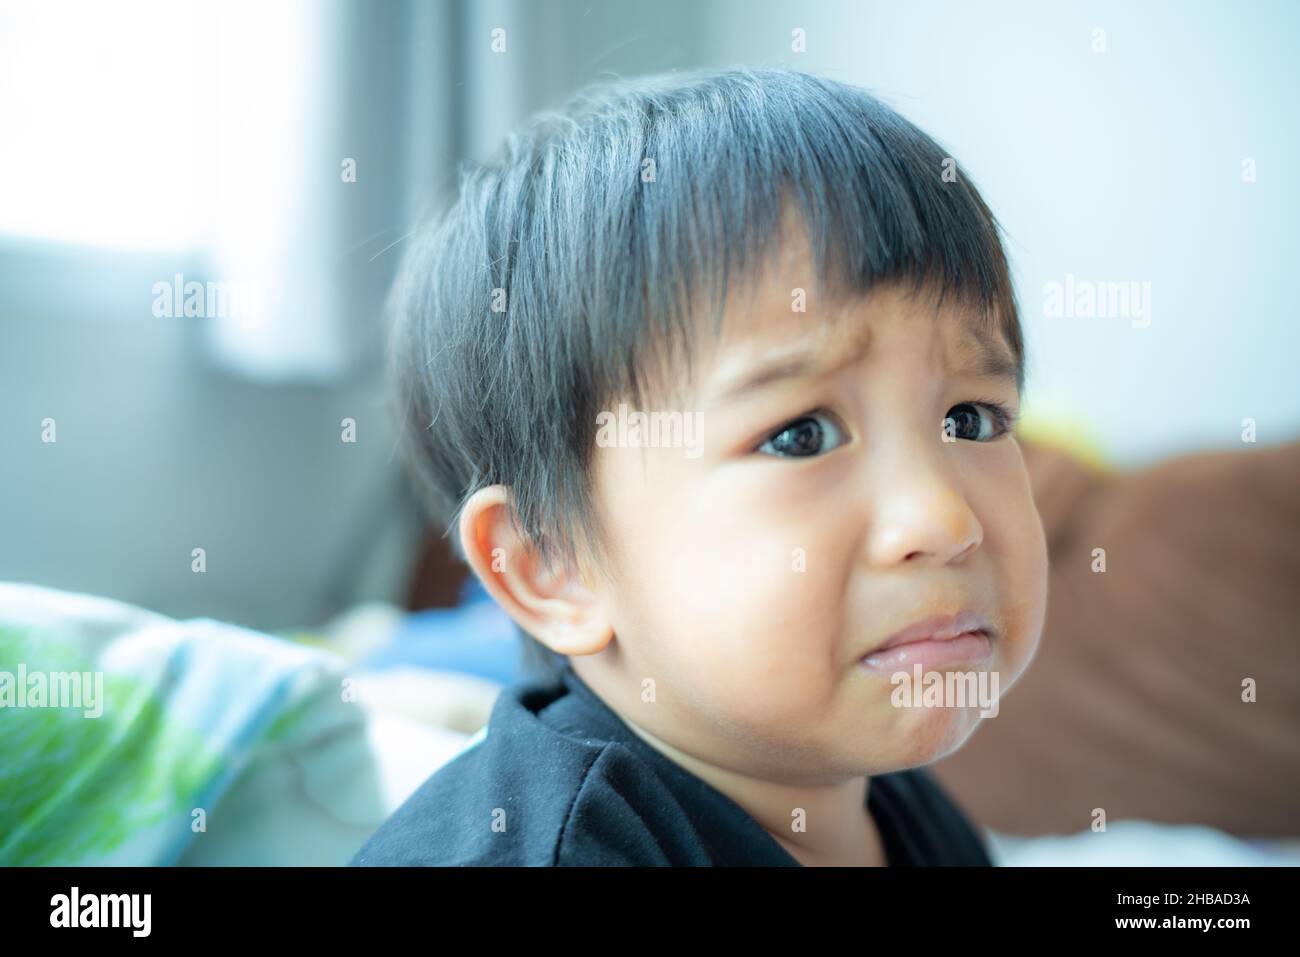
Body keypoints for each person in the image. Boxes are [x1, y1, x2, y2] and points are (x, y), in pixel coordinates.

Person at [352, 67, 1048, 866]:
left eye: (971, 418)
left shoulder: (904, 808)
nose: (943, 517)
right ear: (553, 564)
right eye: (801, 435)